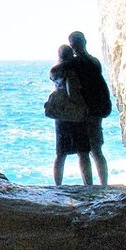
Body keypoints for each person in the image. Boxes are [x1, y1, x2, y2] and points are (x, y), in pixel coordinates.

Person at [68, 31, 112, 185]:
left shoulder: (75, 63)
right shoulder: (94, 61)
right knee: (96, 151)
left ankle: (89, 186)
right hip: (97, 110)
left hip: (83, 112)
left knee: (83, 152)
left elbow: (54, 72)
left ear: (72, 46)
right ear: (85, 42)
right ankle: (103, 184)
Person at [49, 44, 92, 185]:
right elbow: (72, 93)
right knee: (83, 151)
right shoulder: (70, 72)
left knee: (61, 153)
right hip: (75, 115)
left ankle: (58, 185)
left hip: (61, 116)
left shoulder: (54, 70)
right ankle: (88, 185)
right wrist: (83, 105)